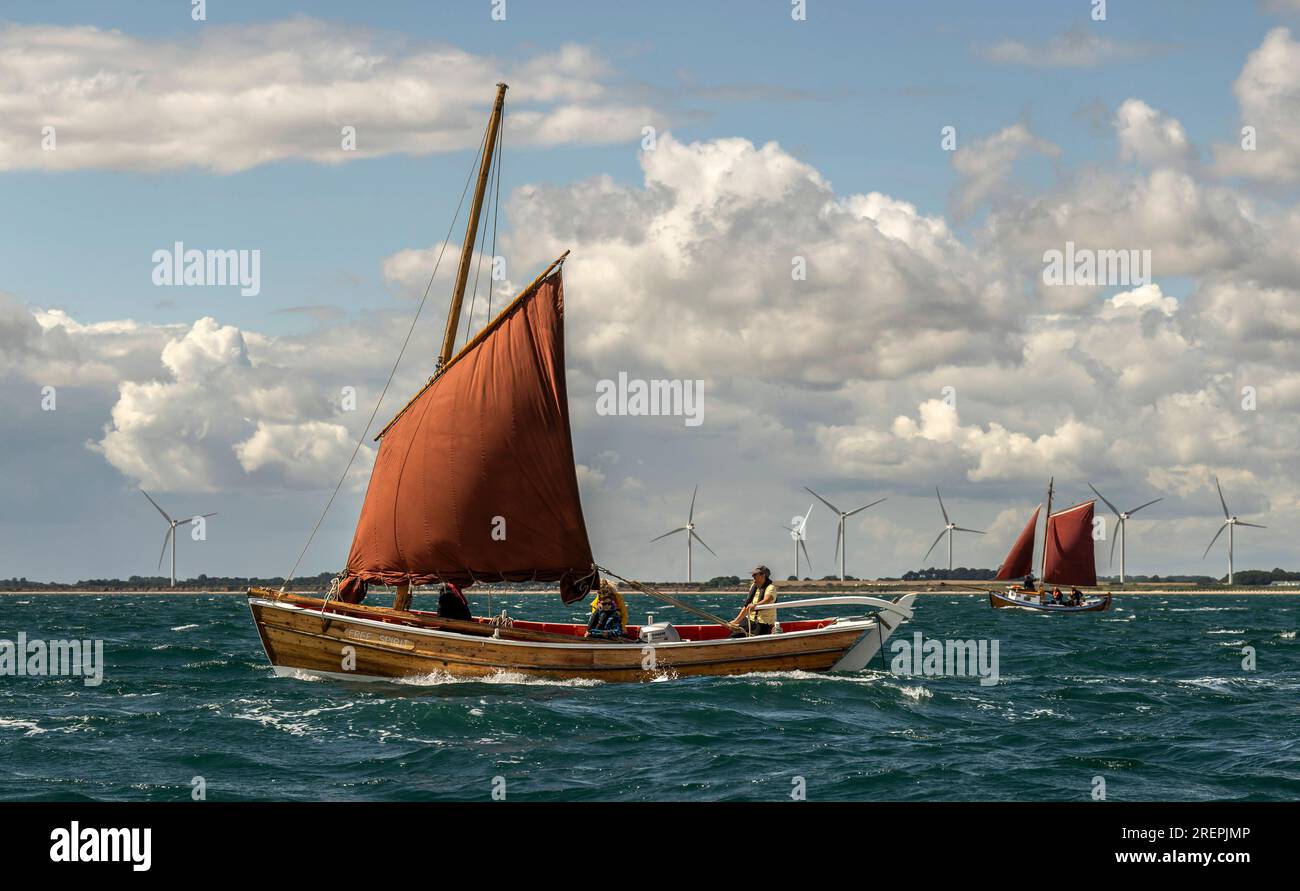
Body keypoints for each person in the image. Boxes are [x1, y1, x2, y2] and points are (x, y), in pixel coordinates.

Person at [732, 565, 778, 637]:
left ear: (763, 575)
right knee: (733, 636)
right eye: (753, 574)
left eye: (755, 574)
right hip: (749, 620)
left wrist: (755, 605)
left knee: (754, 640)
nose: (752, 576)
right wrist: (735, 621)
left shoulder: (771, 588)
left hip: (763, 623)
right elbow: (747, 606)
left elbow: (767, 600)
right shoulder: (753, 587)